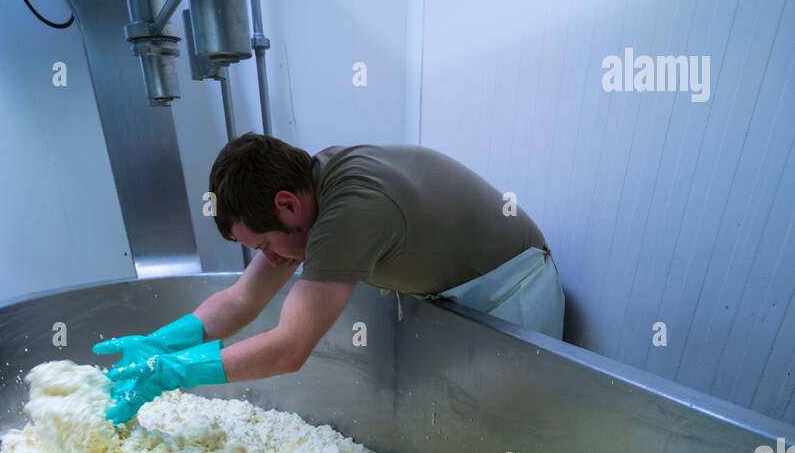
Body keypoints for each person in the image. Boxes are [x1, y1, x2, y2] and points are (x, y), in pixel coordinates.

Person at [94, 133, 564, 424]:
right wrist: (159, 344)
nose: (268, 258)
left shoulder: (352, 209)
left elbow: (290, 348)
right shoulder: (311, 190)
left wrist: (175, 373)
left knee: (510, 438)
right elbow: (243, 298)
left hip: (512, 295)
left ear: (288, 204)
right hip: (462, 294)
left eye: (262, 246)